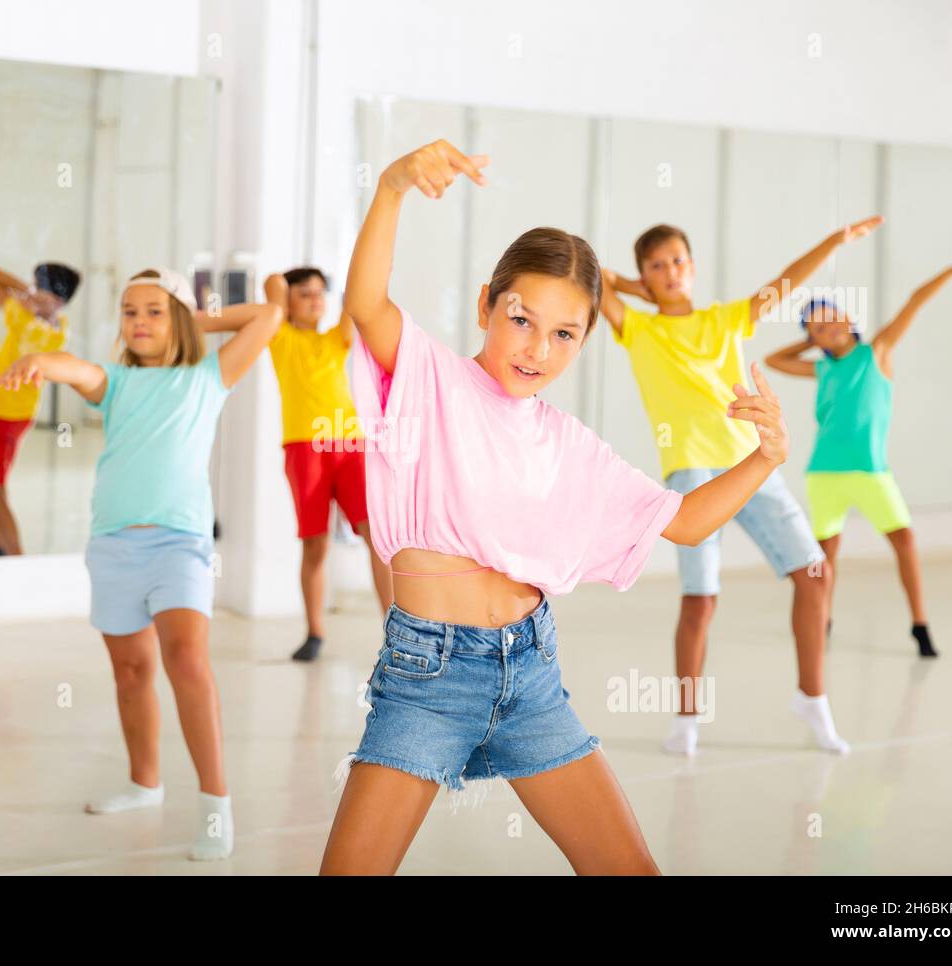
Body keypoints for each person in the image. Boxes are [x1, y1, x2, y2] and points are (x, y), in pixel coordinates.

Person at [320, 140, 795, 875]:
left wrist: (762, 459)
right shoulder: (427, 379)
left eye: (564, 333)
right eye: (520, 319)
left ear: (584, 340)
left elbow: (687, 520)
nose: (537, 348)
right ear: (486, 304)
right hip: (430, 675)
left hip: (530, 674)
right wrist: (392, 188)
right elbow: (366, 303)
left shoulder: (570, 445)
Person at [0, 268, 281, 860]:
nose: (139, 322)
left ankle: (214, 804)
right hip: (113, 547)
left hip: (180, 545)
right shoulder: (116, 381)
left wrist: (193, 318)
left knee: (187, 660)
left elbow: (267, 316)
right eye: (129, 311)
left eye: (153, 310)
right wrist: (40, 363)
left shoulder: (210, 374)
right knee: (131, 673)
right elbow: (74, 366)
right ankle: (143, 782)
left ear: (176, 315)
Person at [600, 218, 883, 755]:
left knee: (814, 575)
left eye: (678, 261)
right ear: (643, 275)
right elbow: (583, 266)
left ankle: (813, 700)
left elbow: (785, 282)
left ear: (693, 265)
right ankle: (685, 718)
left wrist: (834, 239)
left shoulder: (725, 319)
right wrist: (633, 291)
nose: (670, 272)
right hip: (692, 471)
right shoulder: (637, 328)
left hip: (751, 463)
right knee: (700, 602)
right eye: (656, 267)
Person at [765, 252, 952, 658]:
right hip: (825, 473)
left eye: (832, 318)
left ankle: (919, 624)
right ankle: (822, 617)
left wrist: (951, 271)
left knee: (904, 540)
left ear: (849, 319)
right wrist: (809, 340)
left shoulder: (877, 353)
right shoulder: (821, 369)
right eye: (817, 327)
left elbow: (916, 300)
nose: (826, 328)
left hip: (871, 472)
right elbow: (772, 360)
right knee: (825, 554)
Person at [263, 267, 392, 661]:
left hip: (350, 445)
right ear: (288, 301)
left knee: (377, 536)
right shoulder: (279, 336)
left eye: (321, 292)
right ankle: (315, 632)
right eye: (305, 294)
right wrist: (283, 294)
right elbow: (271, 283)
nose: (316, 300)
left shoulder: (337, 338)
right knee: (315, 544)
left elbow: (357, 296)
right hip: (305, 449)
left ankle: (395, 627)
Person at [0, 253, 80, 555]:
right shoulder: (48, 326)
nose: (33, 292)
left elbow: (1, 286)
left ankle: (15, 555)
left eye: (43, 289)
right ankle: (0, 548)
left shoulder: (35, 326)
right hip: (10, 412)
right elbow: (3, 288)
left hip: (0, 411)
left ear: (57, 299)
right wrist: (3, 278)